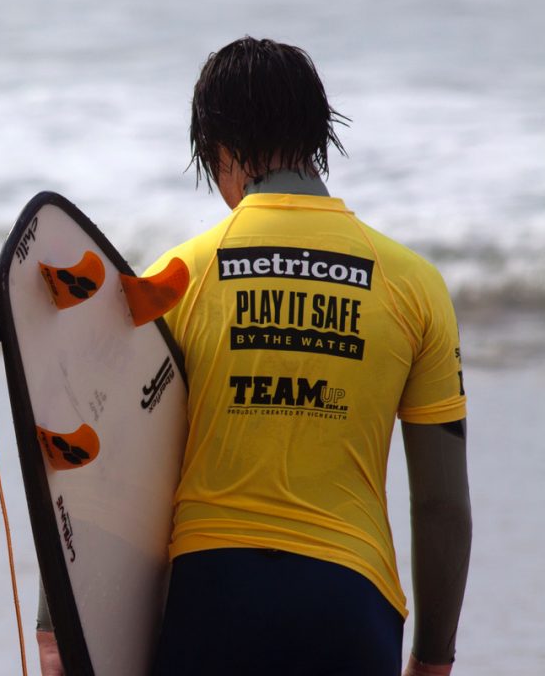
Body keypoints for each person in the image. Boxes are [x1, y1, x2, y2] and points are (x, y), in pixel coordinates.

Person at [36, 38, 471, 676]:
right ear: (318, 136)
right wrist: (433, 659)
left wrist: (56, 629)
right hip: (349, 604)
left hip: (213, 598)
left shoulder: (175, 279)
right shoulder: (414, 285)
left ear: (220, 150)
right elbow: (440, 505)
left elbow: (95, 459)